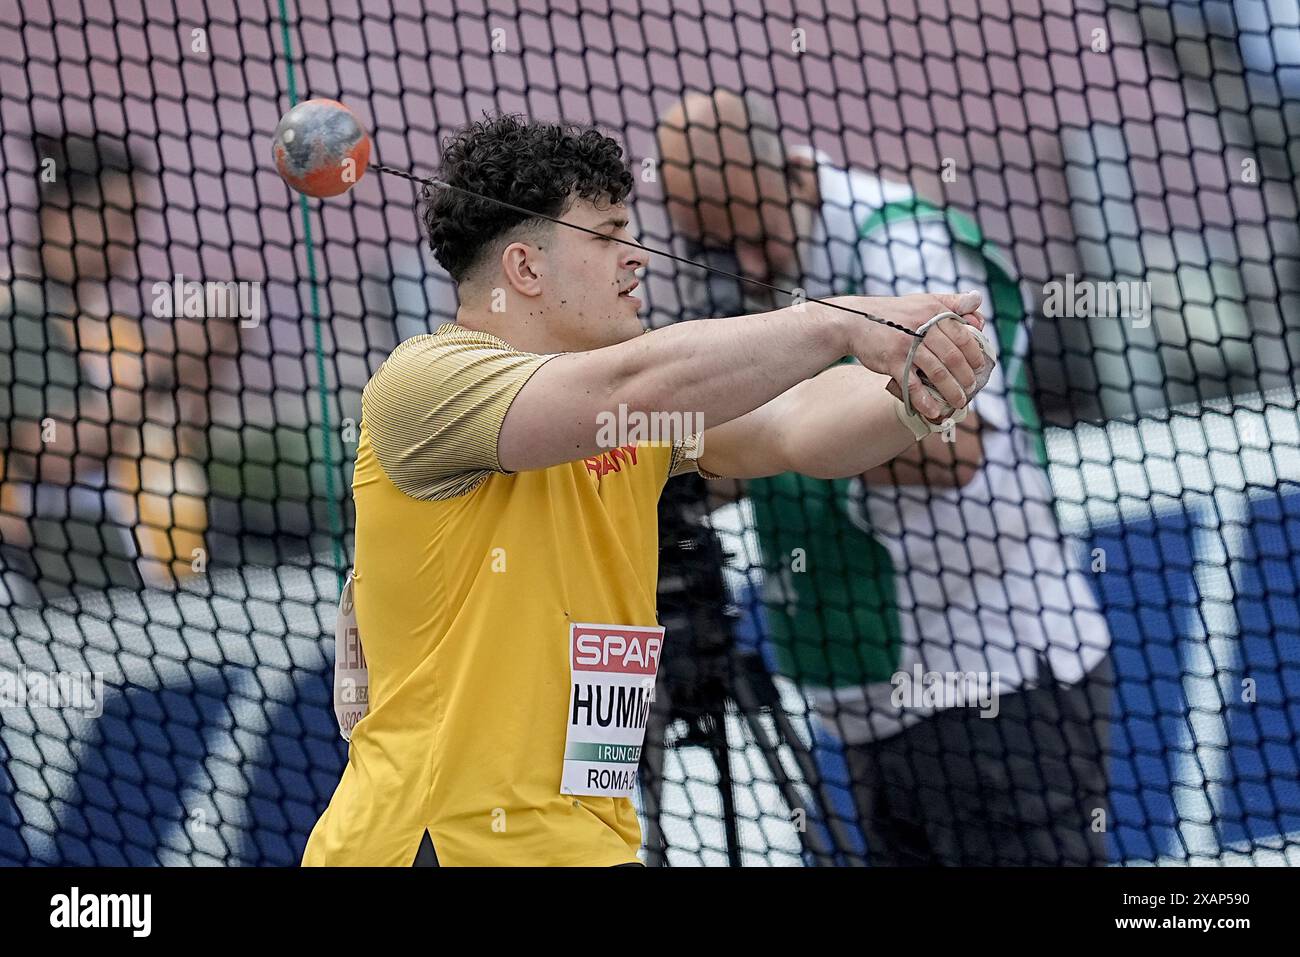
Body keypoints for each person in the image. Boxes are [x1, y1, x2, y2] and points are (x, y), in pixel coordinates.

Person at [301, 113, 993, 866]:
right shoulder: (425, 382)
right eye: (607, 236)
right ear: (526, 270)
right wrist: (833, 325)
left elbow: (793, 423)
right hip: (441, 847)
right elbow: (636, 379)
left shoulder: (633, 416)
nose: (639, 259)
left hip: (590, 846)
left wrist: (919, 387)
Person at [657, 90, 1114, 865]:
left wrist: (790, 400)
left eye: (758, 236)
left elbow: (956, 446)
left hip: (992, 681)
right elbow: (742, 459)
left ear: (796, 178)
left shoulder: (900, 247)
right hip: (870, 699)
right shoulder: (747, 275)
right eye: (721, 246)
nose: (752, 265)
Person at [1, 130, 213, 601]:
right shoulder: (14, 313)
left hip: (169, 587)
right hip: (75, 599)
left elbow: (173, 448)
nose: (129, 239)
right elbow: (53, 452)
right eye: (118, 219)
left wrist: (205, 364)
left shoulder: (112, 328)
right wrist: (163, 366)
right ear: (61, 215)